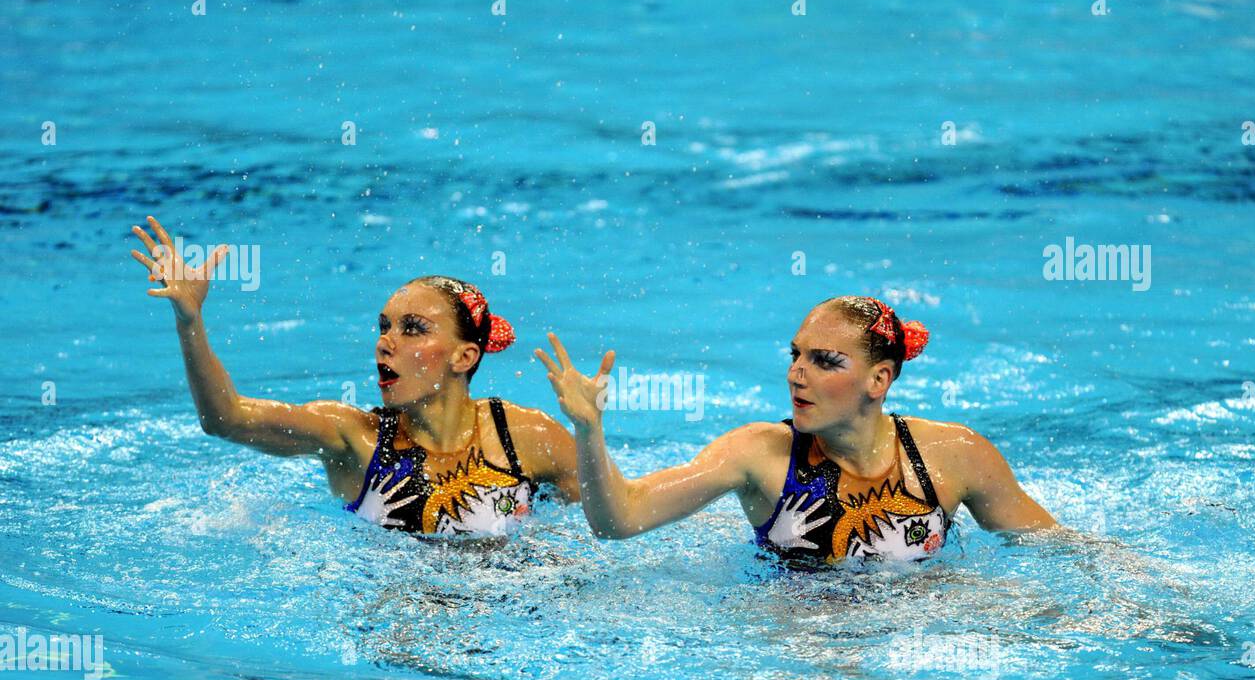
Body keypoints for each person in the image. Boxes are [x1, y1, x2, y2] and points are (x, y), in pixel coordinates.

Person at [129, 215, 579, 537]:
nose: (386, 342)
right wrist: (190, 320)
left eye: (413, 329)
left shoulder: (526, 437)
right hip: (398, 623)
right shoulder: (353, 439)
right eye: (384, 327)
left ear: (464, 357)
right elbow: (225, 418)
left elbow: (606, 522)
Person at [535, 295, 1058, 566]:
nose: (796, 373)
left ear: (880, 379)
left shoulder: (954, 454)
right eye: (796, 355)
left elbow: (1053, 547)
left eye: (825, 361)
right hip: (799, 640)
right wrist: (588, 431)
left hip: (922, 632)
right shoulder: (758, 454)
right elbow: (618, 520)